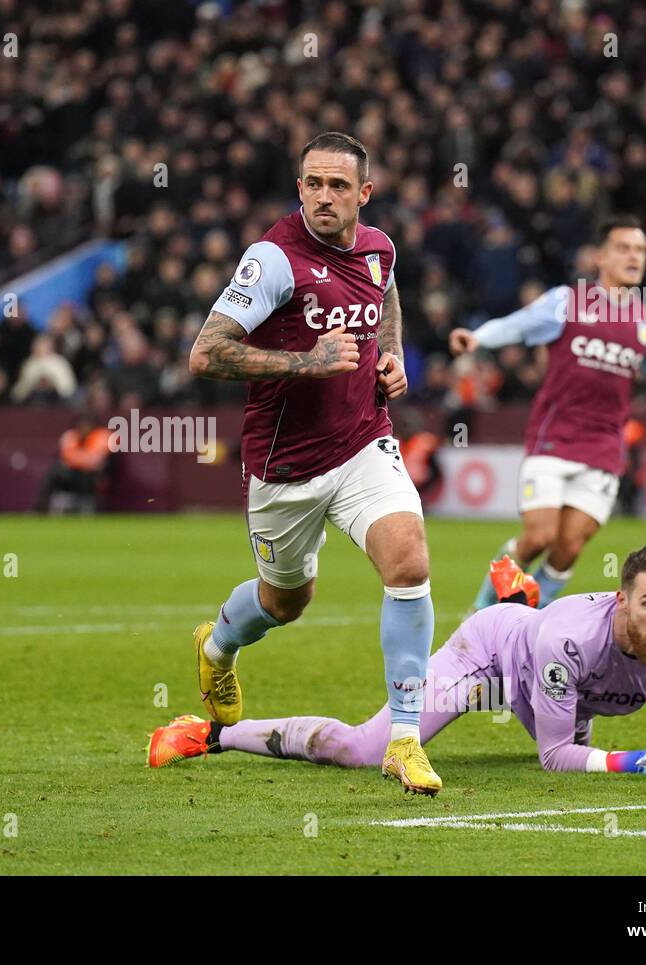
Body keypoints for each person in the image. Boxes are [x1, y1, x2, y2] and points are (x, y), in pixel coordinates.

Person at [185, 132, 440, 794]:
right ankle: (217, 647)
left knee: (409, 561)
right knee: (284, 602)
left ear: (364, 193)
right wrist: (306, 362)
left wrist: (393, 355)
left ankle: (404, 740)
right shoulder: (273, 261)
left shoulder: (379, 247)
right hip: (285, 467)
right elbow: (205, 354)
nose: (323, 196)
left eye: (336, 185)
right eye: (312, 184)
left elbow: (384, 293)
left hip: (364, 442)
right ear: (299, 188)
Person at [151, 545, 646, 778]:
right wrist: (637, 761)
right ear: (623, 601)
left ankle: (522, 601)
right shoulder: (570, 643)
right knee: (360, 750)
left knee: (567, 713)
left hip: (554, 678)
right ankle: (210, 733)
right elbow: (554, 757)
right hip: (491, 661)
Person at [449, 216, 646, 610]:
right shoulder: (567, 302)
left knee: (568, 549)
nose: (634, 257)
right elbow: (518, 325)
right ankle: (481, 612)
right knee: (539, 537)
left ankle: (527, 624)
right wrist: (477, 338)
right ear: (601, 256)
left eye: (640, 250)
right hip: (553, 438)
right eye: (624, 248)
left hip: (604, 450)